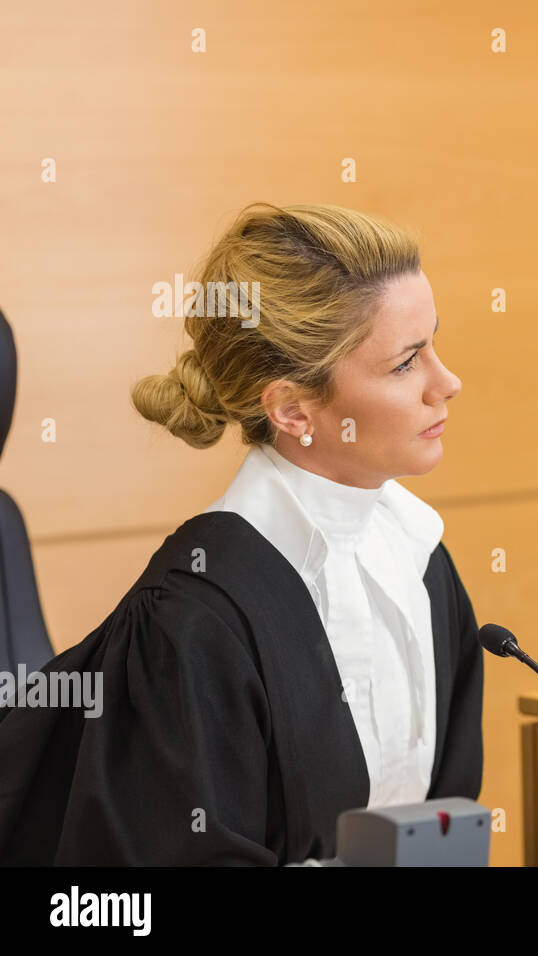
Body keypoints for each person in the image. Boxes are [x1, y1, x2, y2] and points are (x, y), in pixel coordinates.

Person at [0, 203, 484, 863]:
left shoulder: (423, 565)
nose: (448, 383)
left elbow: (444, 829)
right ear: (292, 409)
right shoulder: (192, 620)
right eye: (406, 363)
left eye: (435, 344)